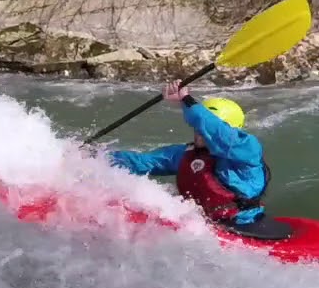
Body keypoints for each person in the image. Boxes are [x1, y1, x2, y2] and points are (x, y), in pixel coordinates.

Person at [106, 80, 272, 230]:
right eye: (197, 129)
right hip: (204, 226)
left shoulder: (247, 150)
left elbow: (217, 131)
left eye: (203, 129)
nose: (200, 133)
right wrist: (98, 157)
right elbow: (141, 162)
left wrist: (185, 99)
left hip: (246, 225)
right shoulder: (186, 154)